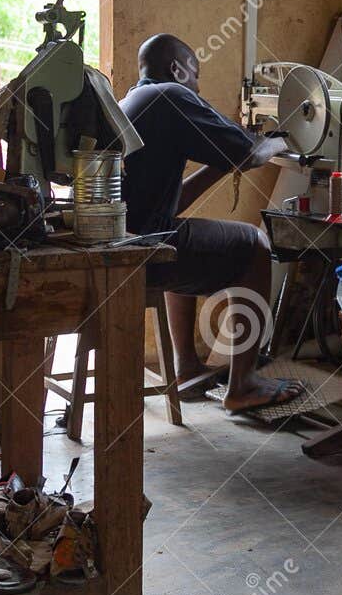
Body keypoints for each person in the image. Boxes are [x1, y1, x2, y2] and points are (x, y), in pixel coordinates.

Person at [119, 34, 302, 414]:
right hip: (142, 251)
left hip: (127, 242)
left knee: (182, 233)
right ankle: (244, 384)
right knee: (254, 244)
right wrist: (279, 142)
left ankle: (186, 367)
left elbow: (171, 206)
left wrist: (225, 160)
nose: (197, 88)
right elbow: (252, 153)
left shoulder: (134, 99)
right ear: (176, 69)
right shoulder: (172, 95)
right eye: (196, 76)